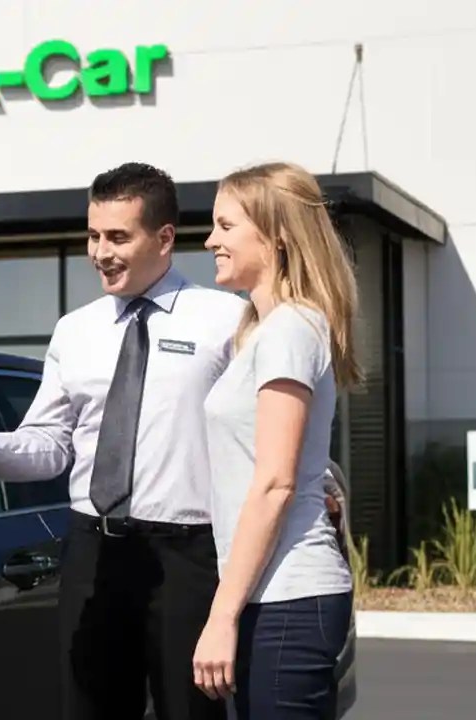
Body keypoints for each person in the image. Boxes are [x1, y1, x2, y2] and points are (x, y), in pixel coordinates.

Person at [0, 162, 245, 720]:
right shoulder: (75, 330)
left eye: (119, 237)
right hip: (93, 553)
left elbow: (259, 435)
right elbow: (50, 443)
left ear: (165, 238)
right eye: (94, 235)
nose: (101, 252)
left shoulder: (228, 319)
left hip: (189, 556)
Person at [193, 162, 359, 719]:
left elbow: (274, 484)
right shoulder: (265, 333)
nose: (211, 239)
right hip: (275, 595)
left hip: (290, 596)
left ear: (278, 236)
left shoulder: (290, 329)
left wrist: (221, 616)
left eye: (226, 225)